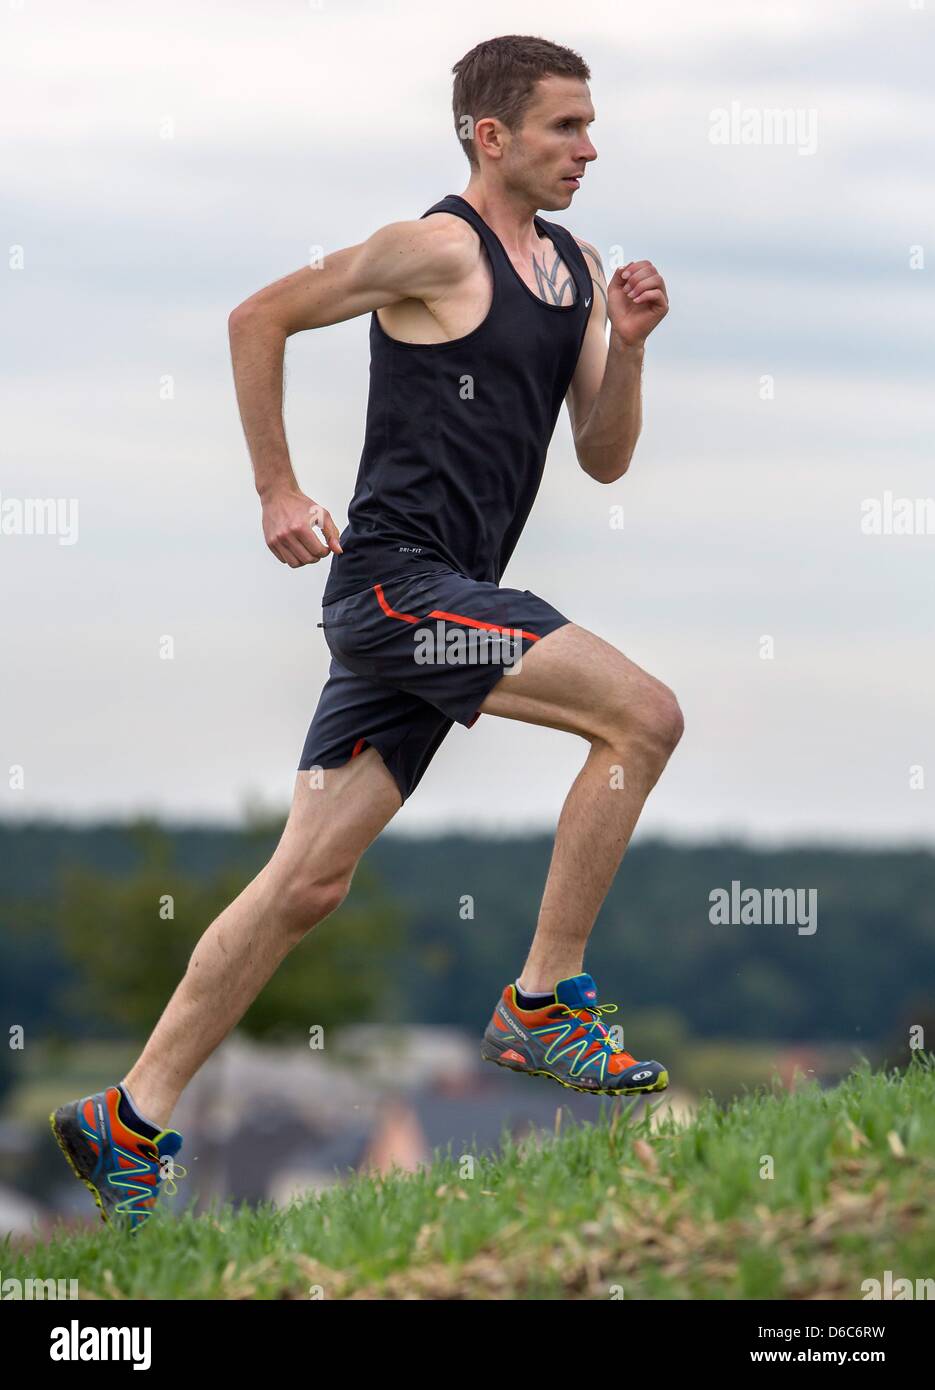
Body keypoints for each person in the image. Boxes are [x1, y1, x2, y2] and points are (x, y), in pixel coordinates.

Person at [50, 34, 681, 1231]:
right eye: (563, 127)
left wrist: (631, 347)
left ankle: (126, 1118)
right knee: (642, 715)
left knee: (306, 884)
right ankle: (544, 999)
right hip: (397, 588)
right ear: (489, 136)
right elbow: (258, 316)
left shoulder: (571, 270)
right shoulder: (429, 248)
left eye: (591, 127)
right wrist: (277, 493)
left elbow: (600, 452)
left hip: (436, 603)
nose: (587, 149)